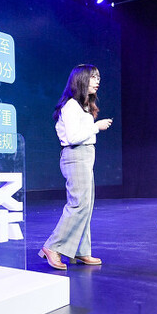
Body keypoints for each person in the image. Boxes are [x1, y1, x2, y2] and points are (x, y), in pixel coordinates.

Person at [39, 64, 114, 270]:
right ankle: (52, 247)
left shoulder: (82, 106)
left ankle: (81, 250)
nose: (97, 81)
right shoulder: (71, 105)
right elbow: (73, 137)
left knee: (86, 205)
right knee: (78, 204)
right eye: (93, 77)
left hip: (85, 155)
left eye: (98, 77)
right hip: (76, 155)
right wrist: (96, 127)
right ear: (81, 80)